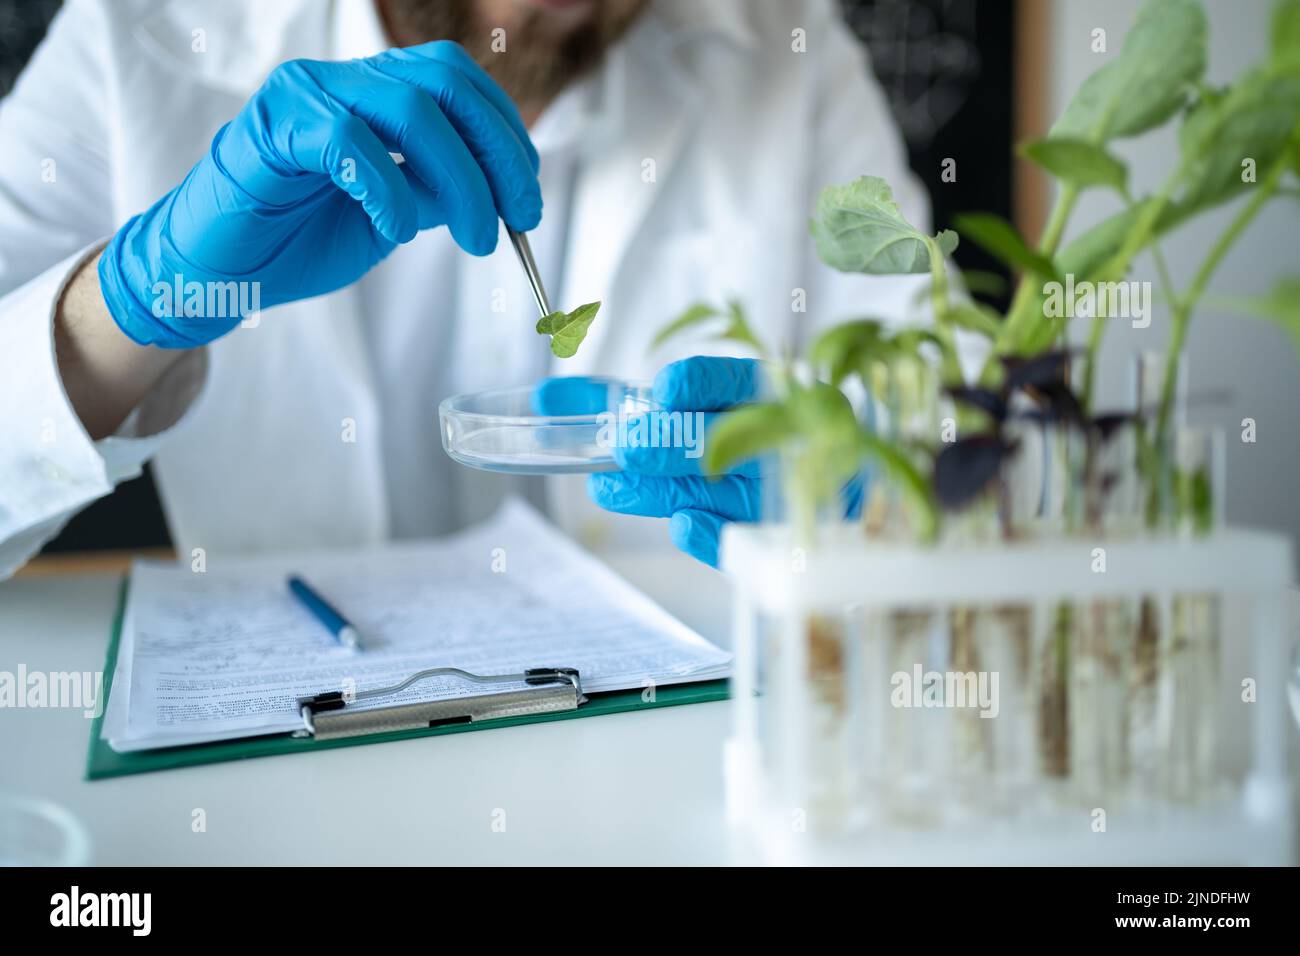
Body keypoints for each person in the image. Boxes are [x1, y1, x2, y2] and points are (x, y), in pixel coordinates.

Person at [0, 0, 928, 578]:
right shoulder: (136, 34)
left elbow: (965, 402)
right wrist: (129, 302)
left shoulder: (787, 48)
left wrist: (874, 484)